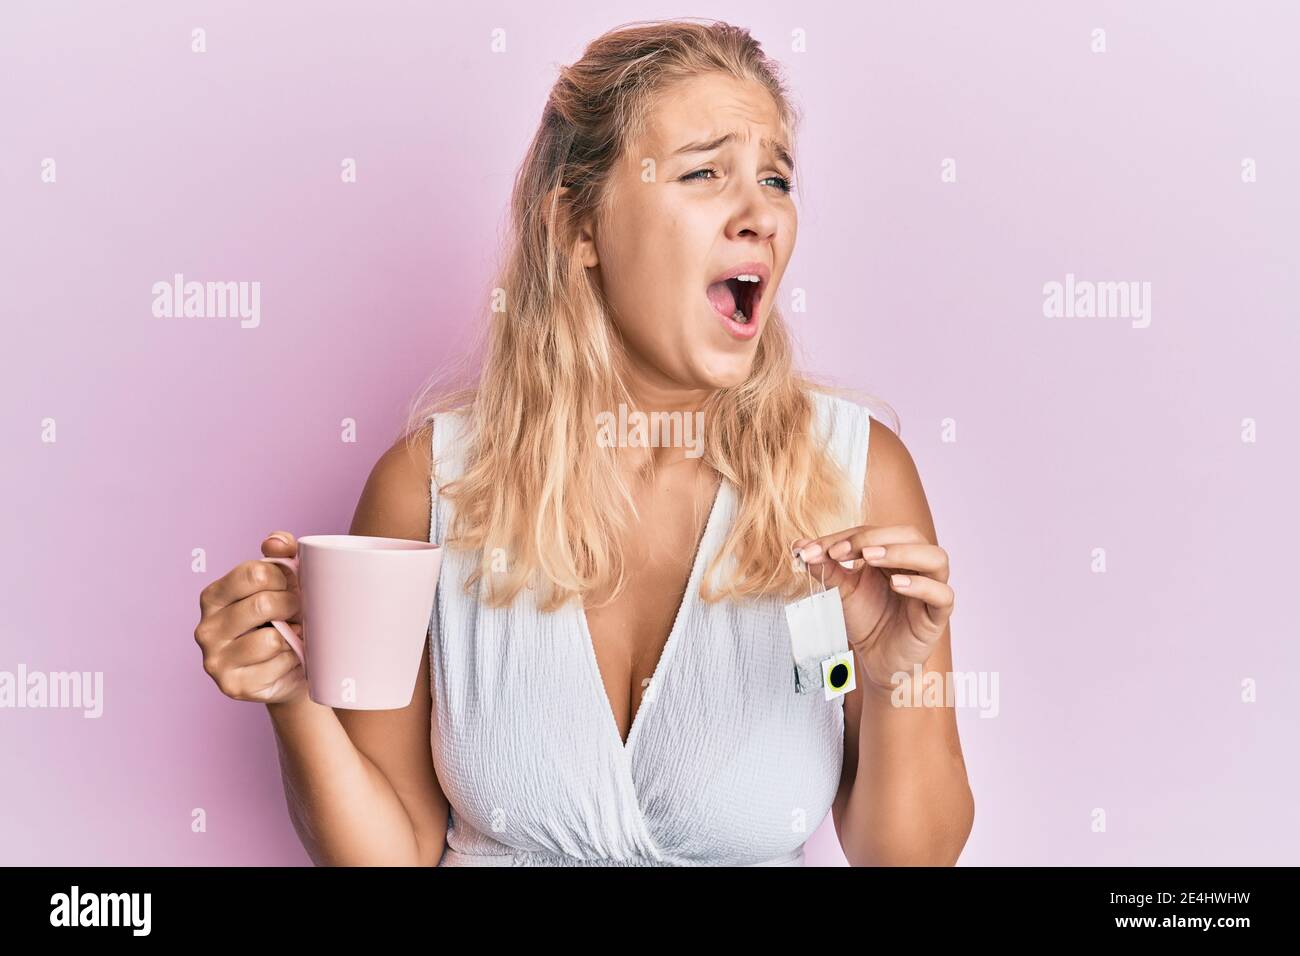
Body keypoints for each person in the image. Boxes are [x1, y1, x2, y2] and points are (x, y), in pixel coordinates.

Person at [193, 18, 973, 866]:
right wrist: (293, 697)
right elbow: (393, 852)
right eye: (706, 171)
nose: (760, 214)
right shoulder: (428, 486)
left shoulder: (854, 479)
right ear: (579, 226)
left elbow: (909, 859)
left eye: (777, 179)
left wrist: (898, 675)